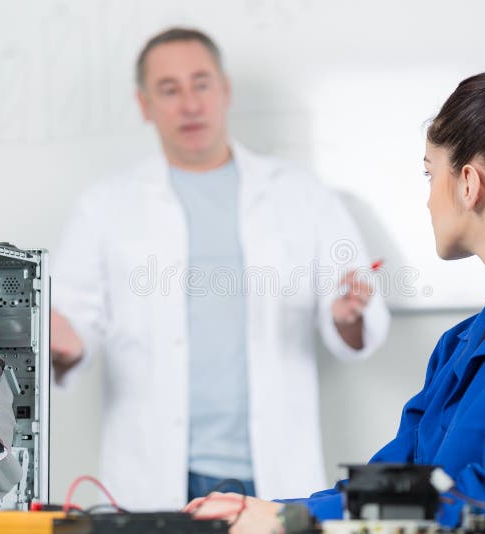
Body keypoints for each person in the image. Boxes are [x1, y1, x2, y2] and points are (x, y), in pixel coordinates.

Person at [185, 64, 485, 530]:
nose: (428, 199)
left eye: (430, 174)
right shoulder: (463, 344)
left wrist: (290, 521)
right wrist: (263, 512)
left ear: (469, 184)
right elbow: (394, 486)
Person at [49, 27, 390, 511]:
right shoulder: (104, 207)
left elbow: (356, 317)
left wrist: (349, 315)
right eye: (169, 89)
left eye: (201, 83)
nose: (189, 104)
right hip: (154, 475)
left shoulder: (300, 193)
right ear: (144, 104)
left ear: (225, 90)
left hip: (274, 470)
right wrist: (58, 341)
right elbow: (73, 332)